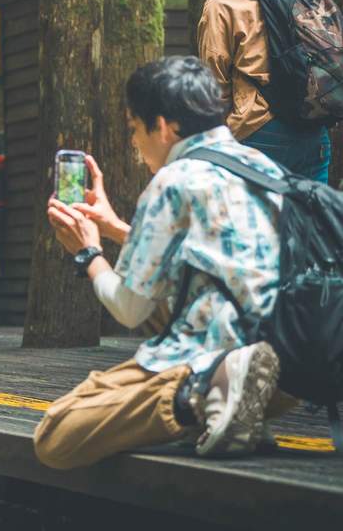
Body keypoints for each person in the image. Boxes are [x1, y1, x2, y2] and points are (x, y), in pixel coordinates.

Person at [33, 56, 296, 469]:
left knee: (57, 433)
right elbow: (209, 255)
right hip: (287, 362)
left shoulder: (174, 181)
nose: (135, 145)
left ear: (163, 126)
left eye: (135, 129)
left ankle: (200, 396)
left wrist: (87, 253)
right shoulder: (263, 167)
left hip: (221, 352)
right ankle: (235, 404)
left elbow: (129, 307)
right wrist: (116, 227)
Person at [197, 0, 331, 181]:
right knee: (311, 221)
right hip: (314, 130)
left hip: (258, 133)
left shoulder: (222, 3)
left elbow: (214, 86)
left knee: (258, 222)